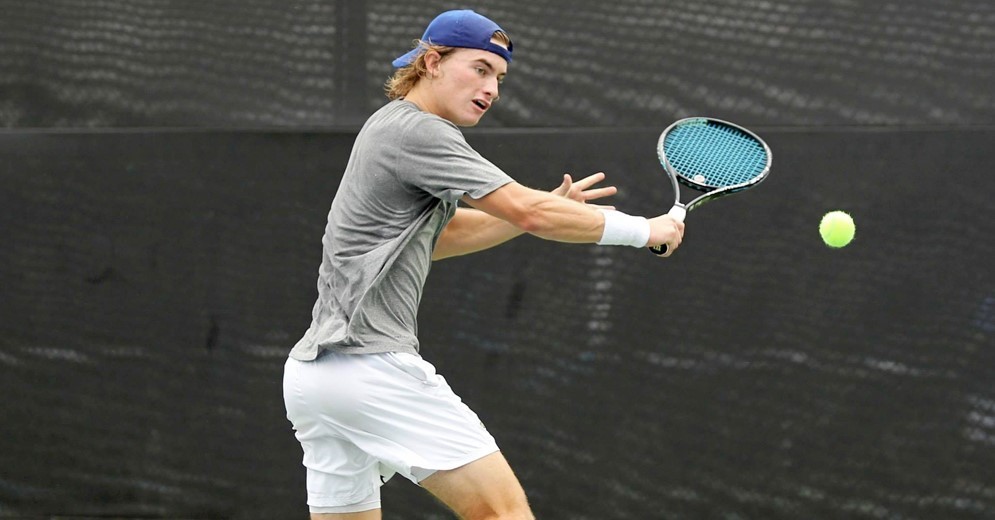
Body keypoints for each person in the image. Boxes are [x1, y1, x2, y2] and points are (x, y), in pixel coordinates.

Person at [282, 9, 685, 519]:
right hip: (370, 368)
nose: (492, 88)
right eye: (480, 69)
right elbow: (530, 211)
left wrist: (526, 212)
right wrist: (646, 230)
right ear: (432, 62)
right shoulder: (420, 131)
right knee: (504, 513)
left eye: (499, 77)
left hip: (315, 379)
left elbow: (437, 237)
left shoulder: (389, 129)